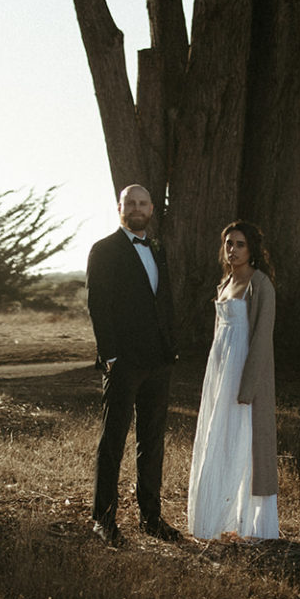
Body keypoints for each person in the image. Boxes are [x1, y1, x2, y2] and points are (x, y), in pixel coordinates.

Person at [85, 184, 182, 546]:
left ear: (152, 209)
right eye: (131, 203)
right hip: (123, 363)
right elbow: (98, 305)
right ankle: (103, 519)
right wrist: (109, 356)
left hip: (159, 361)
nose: (137, 208)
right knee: (113, 440)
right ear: (120, 207)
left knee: (152, 441)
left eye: (143, 203)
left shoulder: (157, 249)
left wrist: (171, 347)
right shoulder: (104, 250)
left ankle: (151, 518)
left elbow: (164, 301)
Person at [187, 219, 279, 542]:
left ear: (252, 249)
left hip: (243, 367)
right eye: (229, 243)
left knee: (244, 437)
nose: (233, 250)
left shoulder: (260, 284)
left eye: (240, 244)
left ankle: (251, 521)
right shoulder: (225, 283)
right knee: (219, 432)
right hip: (221, 366)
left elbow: (262, 338)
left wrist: (249, 386)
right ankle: (215, 516)